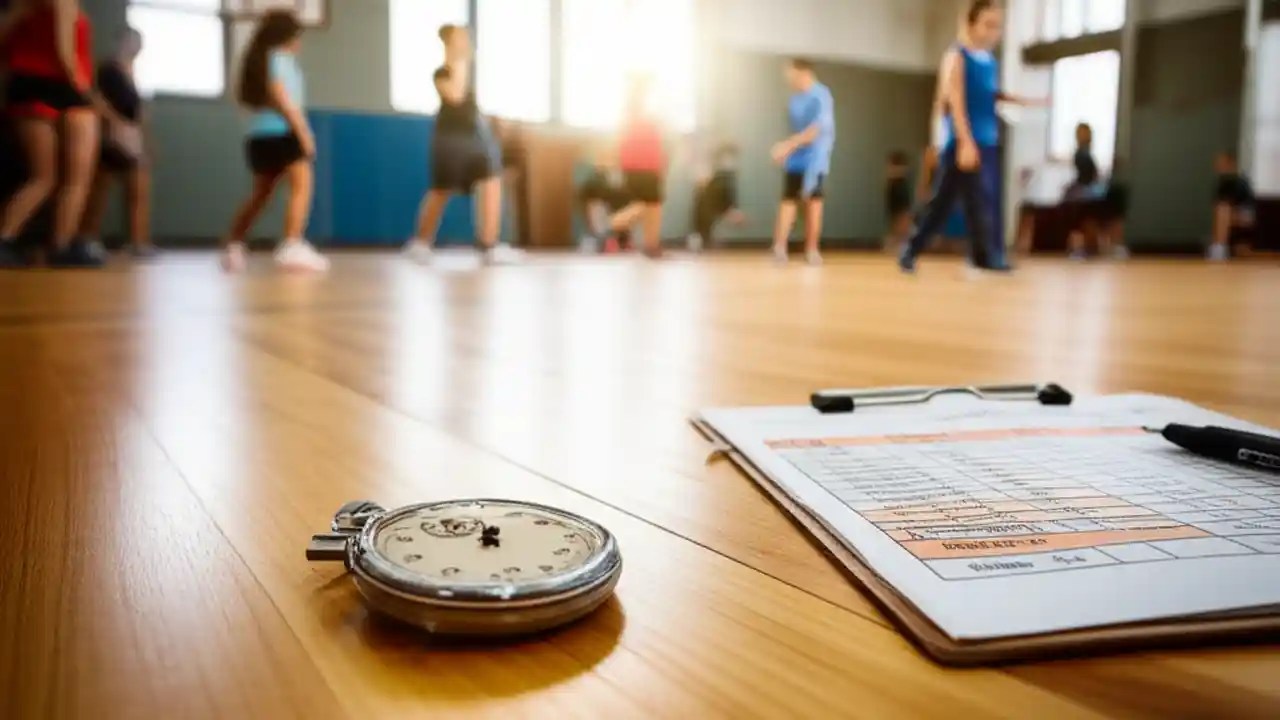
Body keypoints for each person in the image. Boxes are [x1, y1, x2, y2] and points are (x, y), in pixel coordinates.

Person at [899, 0, 1042, 274]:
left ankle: (985, 256)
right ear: (971, 24)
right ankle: (912, 249)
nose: (993, 32)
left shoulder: (989, 60)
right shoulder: (957, 56)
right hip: (964, 143)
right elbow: (955, 101)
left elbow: (988, 94)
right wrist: (965, 141)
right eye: (988, 25)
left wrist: (1024, 100)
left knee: (985, 200)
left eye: (998, 27)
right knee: (943, 204)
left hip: (987, 141)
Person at [0, 0, 107, 268]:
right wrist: (92, 99)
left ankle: (5, 238)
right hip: (63, 87)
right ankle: (60, 246)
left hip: (24, 87)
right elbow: (65, 53)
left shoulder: (18, 7)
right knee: (76, 179)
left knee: (42, 177)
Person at [220, 10, 327, 273]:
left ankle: (233, 244)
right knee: (302, 184)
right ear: (285, 37)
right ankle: (292, 244)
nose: (299, 42)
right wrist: (304, 133)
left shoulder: (260, 59)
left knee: (261, 194)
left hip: (258, 136)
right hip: (283, 131)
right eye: (296, 36)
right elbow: (282, 97)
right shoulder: (280, 58)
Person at [404, 25, 518, 265]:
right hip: (449, 139)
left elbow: (470, 106)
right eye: (459, 40)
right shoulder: (442, 73)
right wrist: (458, 59)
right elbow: (455, 95)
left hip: (474, 139)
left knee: (491, 182)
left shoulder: (470, 75)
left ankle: (489, 245)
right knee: (441, 190)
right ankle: (420, 243)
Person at [78, 26, 152, 258]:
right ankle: (86, 239)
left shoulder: (131, 73)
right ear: (123, 42)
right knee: (99, 189)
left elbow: (138, 112)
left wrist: (144, 140)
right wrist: (113, 122)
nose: (136, 47)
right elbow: (96, 97)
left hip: (131, 135)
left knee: (138, 189)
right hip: (109, 134)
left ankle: (138, 243)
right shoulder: (107, 68)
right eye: (133, 42)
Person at [770, 57, 834, 265]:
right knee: (788, 200)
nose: (788, 79)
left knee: (813, 203)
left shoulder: (821, 96)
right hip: (796, 160)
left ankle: (812, 250)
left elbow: (814, 132)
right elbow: (797, 132)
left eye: (791, 74)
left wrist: (787, 145)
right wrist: (788, 152)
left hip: (816, 160)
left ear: (803, 72)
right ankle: (780, 247)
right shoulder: (794, 99)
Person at [687, 141, 745, 251]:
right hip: (710, 191)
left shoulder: (725, 178)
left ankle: (704, 234)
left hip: (716, 190)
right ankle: (700, 235)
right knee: (703, 198)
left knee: (716, 189)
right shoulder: (711, 175)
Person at [577, 145, 633, 253]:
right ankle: (606, 238)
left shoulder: (621, 178)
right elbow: (590, 204)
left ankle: (615, 238)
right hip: (602, 216)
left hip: (615, 215)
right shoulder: (595, 180)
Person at [1208, 152, 1255, 262]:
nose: (1218, 165)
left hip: (1245, 216)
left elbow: (1247, 208)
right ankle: (1218, 246)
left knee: (1223, 209)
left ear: (1231, 164)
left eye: (1222, 162)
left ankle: (1218, 249)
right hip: (1230, 216)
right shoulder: (1222, 183)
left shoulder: (1239, 182)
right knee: (1221, 210)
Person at [883, 150, 912, 253]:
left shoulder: (901, 182)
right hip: (896, 199)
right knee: (897, 222)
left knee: (902, 222)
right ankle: (894, 244)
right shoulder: (893, 182)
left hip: (901, 199)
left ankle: (900, 244)